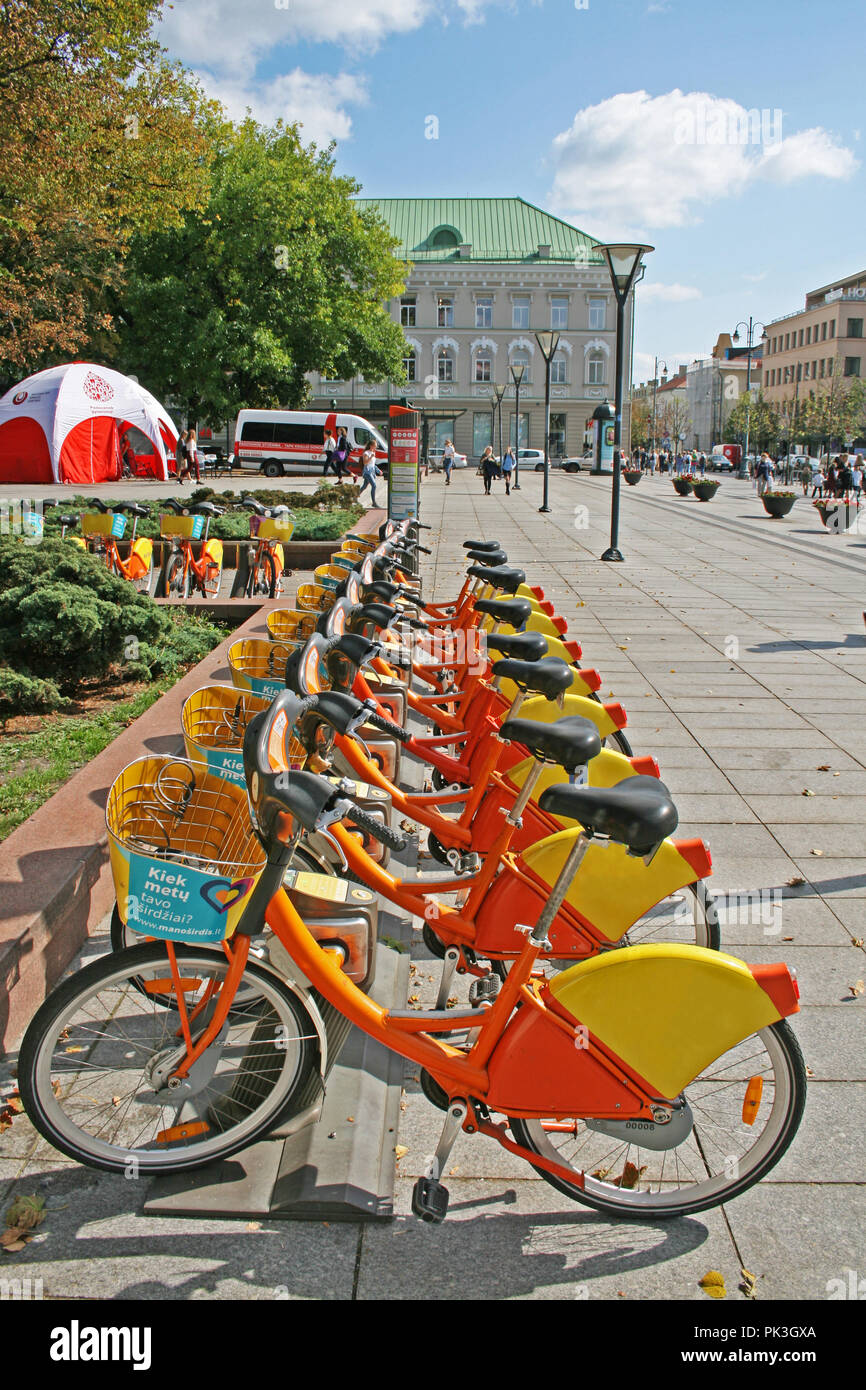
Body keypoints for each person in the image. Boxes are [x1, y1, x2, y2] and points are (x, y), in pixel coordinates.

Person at [357, 443, 381, 507]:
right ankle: (374, 503)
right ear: (371, 446)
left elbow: (373, 464)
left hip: (371, 472)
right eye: (374, 446)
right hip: (367, 472)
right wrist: (371, 457)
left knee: (364, 486)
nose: (375, 448)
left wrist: (378, 470)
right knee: (374, 485)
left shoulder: (373, 453)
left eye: (376, 447)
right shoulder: (366, 453)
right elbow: (365, 463)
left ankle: (354, 497)